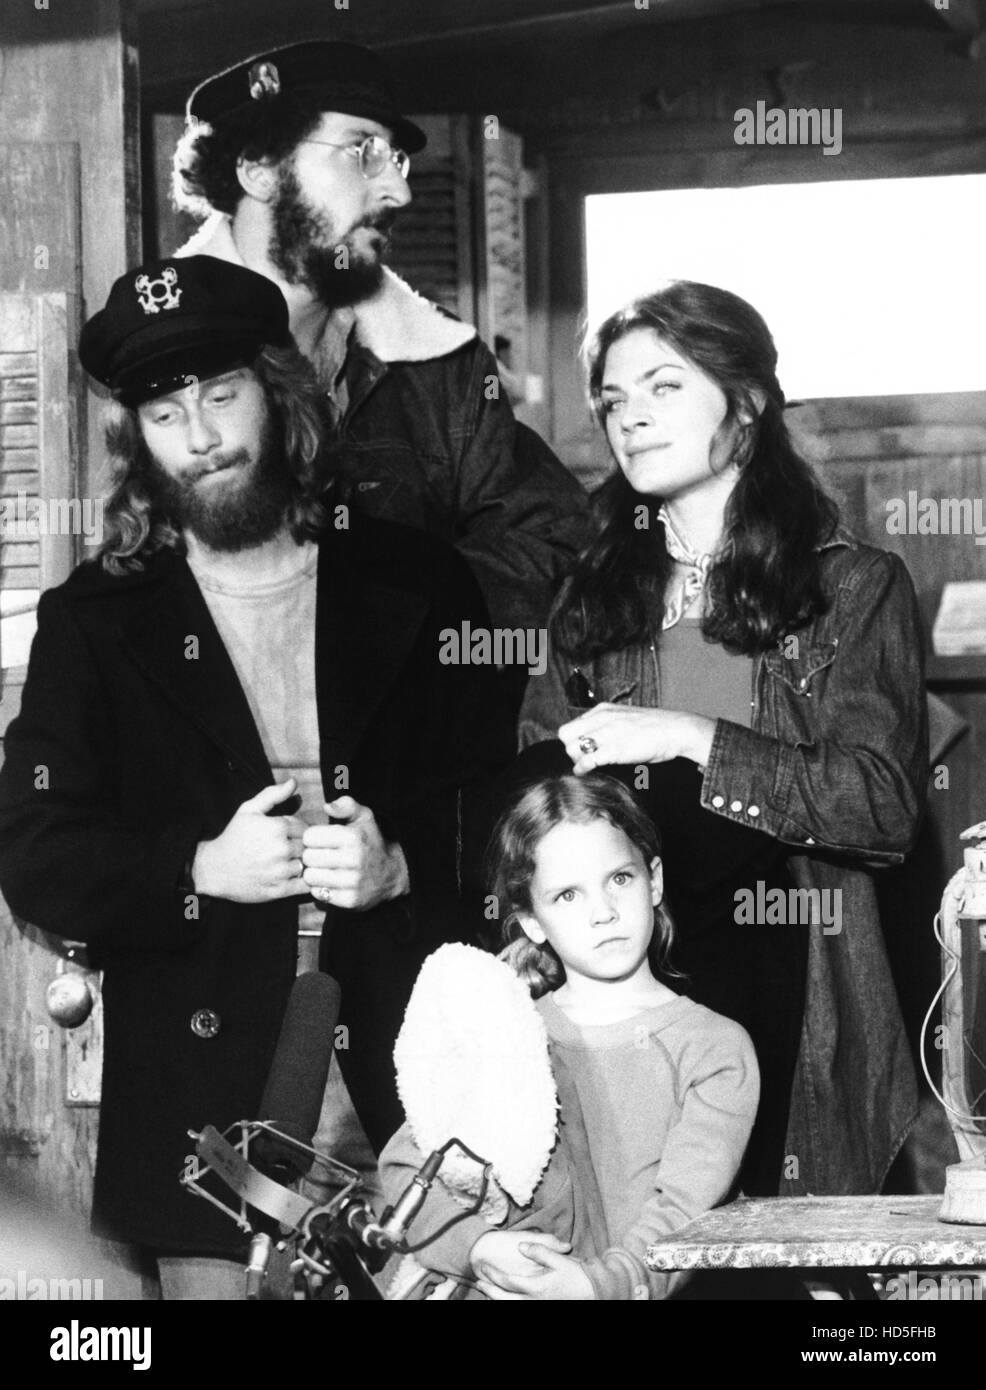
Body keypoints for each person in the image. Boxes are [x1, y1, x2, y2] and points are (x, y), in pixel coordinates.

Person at [0, 255, 513, 1294]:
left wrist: (403, 863)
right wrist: (199, 868)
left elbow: (508, 809)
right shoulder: (92, 621)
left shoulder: (419, 580)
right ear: (132, 441)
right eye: (162, 413)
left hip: (418, 1097)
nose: (198, 436)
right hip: (208, 1131)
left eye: (222, 395)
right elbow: (36, 851)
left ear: (276, 398)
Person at [518, 281, 929, 1197]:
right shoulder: (590, 597)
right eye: (614, 400)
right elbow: (536, 814)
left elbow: (881, 806)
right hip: (625, 986)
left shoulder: (853, 588)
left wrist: (687, 735)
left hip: (795, 973)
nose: (631, 418)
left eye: (664, 387)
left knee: (791, 1292)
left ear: (744, 403)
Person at [170, 39, 589, 640]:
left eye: (397, 161)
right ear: (258, 169)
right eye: (363, 152)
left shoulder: (443, 362)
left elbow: (547, 535)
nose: (400, 192)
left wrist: (406, 632)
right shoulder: (145, 361)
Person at [379, 773, 759, 1300]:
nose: (603, 912)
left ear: (655, 880)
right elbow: (402, 1169)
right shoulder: (504, 1029)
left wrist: (596, 1285)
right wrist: (477, 1248)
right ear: (532, 921)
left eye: (620, 879)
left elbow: (685, 1211)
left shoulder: (715, 1048)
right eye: (567, 895)